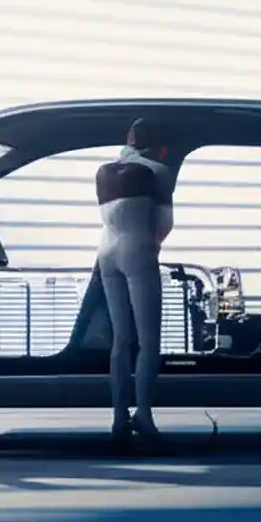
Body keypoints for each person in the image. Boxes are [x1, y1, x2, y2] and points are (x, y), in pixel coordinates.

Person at [95, 117, 175, 450]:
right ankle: (144, 414)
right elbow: (164, 224)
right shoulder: (158, 171)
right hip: (137, 249)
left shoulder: (103, 172)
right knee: (148, 340)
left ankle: (117, 417)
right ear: (161, 147)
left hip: (106, 252)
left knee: (120, 340)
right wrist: (152, 247)